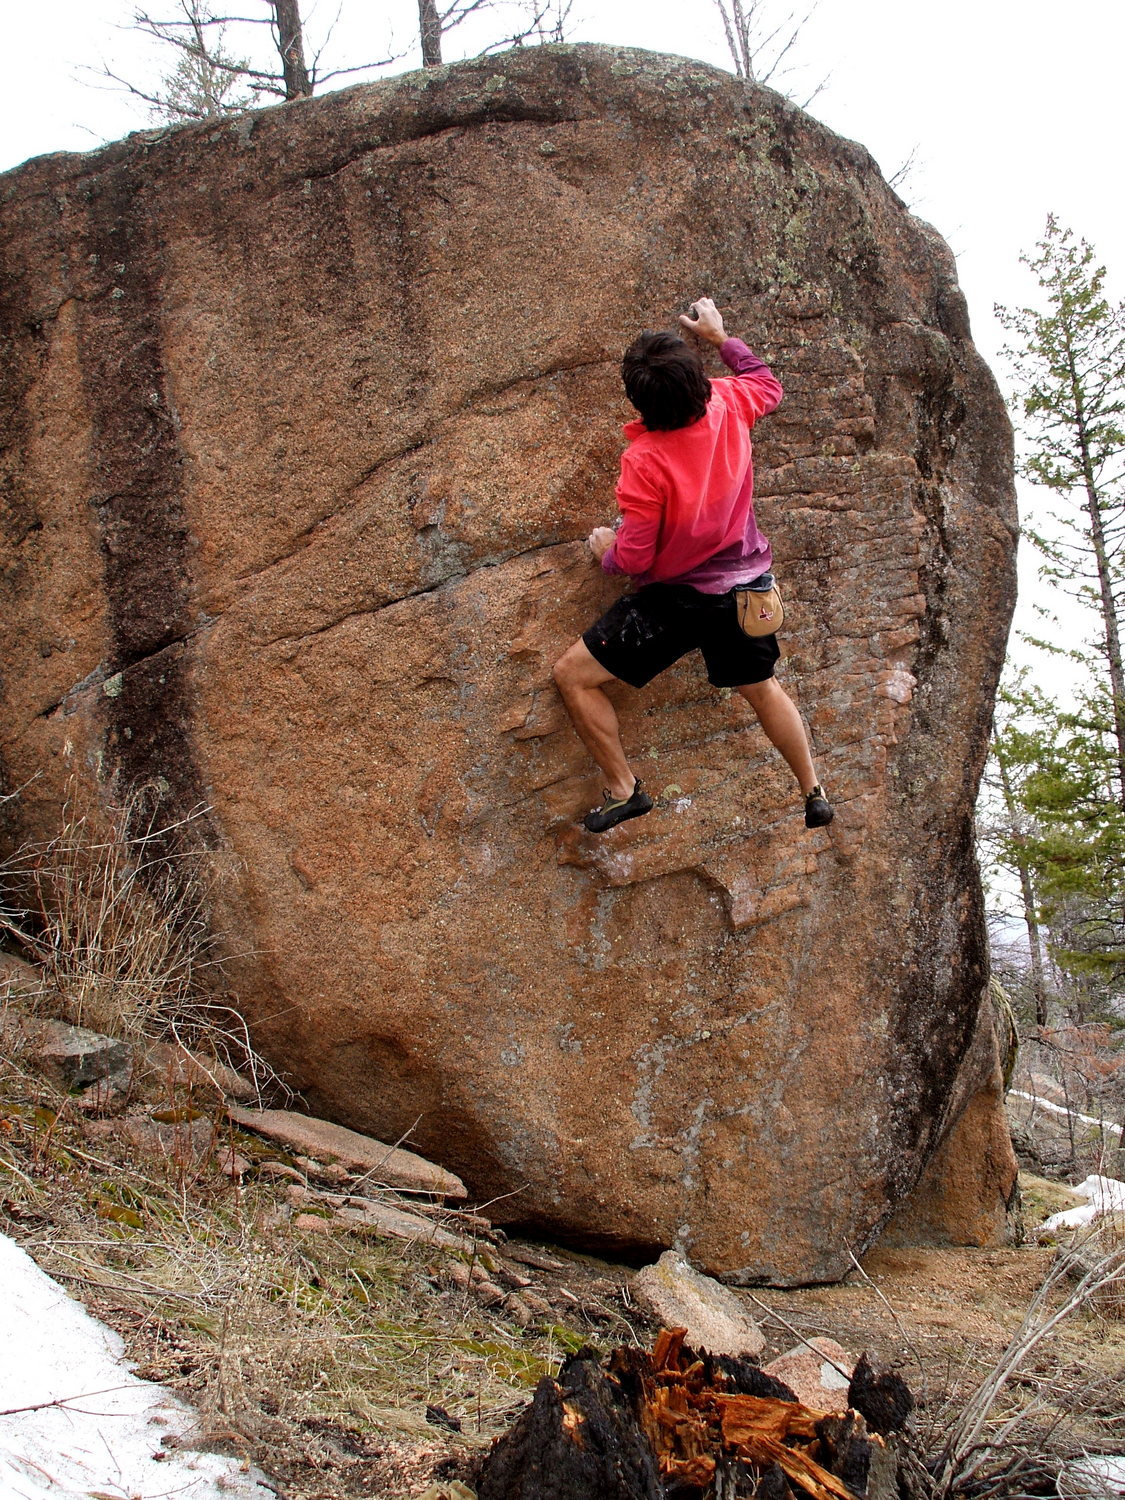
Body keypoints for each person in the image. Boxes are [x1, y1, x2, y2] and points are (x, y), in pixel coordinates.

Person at [553, 296, 833, 835]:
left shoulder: (645, 460)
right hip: (747, 589)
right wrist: (720, 336)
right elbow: (767, 385)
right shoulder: (730, 401)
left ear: (641, 405)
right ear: (699, 379)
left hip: (676, 601)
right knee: (763, 687)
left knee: (574, 677)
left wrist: (605, 551)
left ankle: (623, 788)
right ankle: (813, 791)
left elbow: (635, 555)